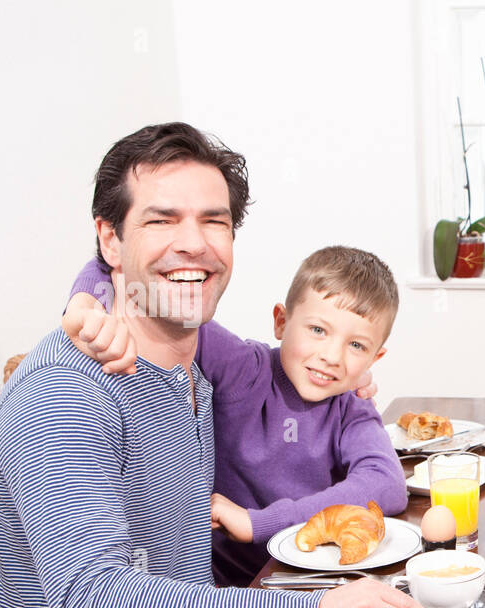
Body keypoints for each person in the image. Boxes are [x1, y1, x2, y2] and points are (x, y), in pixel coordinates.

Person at [0, 122, 436, 608]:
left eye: (213, 221)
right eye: (162, 219)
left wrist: (351, 387)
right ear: (109, 241)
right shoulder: (64, 393)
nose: (194, 243)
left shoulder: (194, 367)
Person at [63, 245, 409, 586]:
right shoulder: (242, 368)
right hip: (214, 590)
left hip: (310, 580)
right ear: (281, 321)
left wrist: (260, 522)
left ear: (375, 358)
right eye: (318, 330)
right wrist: (84, 307)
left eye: (356, 346)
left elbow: (387, 485)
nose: (332, 356)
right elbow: (121, 271)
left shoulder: (352, 405)